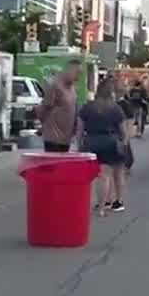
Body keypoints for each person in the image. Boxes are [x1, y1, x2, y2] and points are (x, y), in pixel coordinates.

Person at [79, 82, 130, 215]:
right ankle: (116, 202)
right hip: (110, 141)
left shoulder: (87, 107)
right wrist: (124, 143)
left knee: (101, 176)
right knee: (117, 173)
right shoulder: (115, 108)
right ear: (110, 93)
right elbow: (124, 131)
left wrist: (79, 144)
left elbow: (79, 129)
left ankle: (103, 202)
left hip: (91, 141)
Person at [37, 59, 83, 152]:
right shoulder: (54, 85)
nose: (78, 77)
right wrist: (43, 126)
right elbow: (45, 107)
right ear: (69, 70)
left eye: (80, 74)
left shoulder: (72, 88)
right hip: (53, 138)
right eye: (77, 73)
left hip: (66, 139)